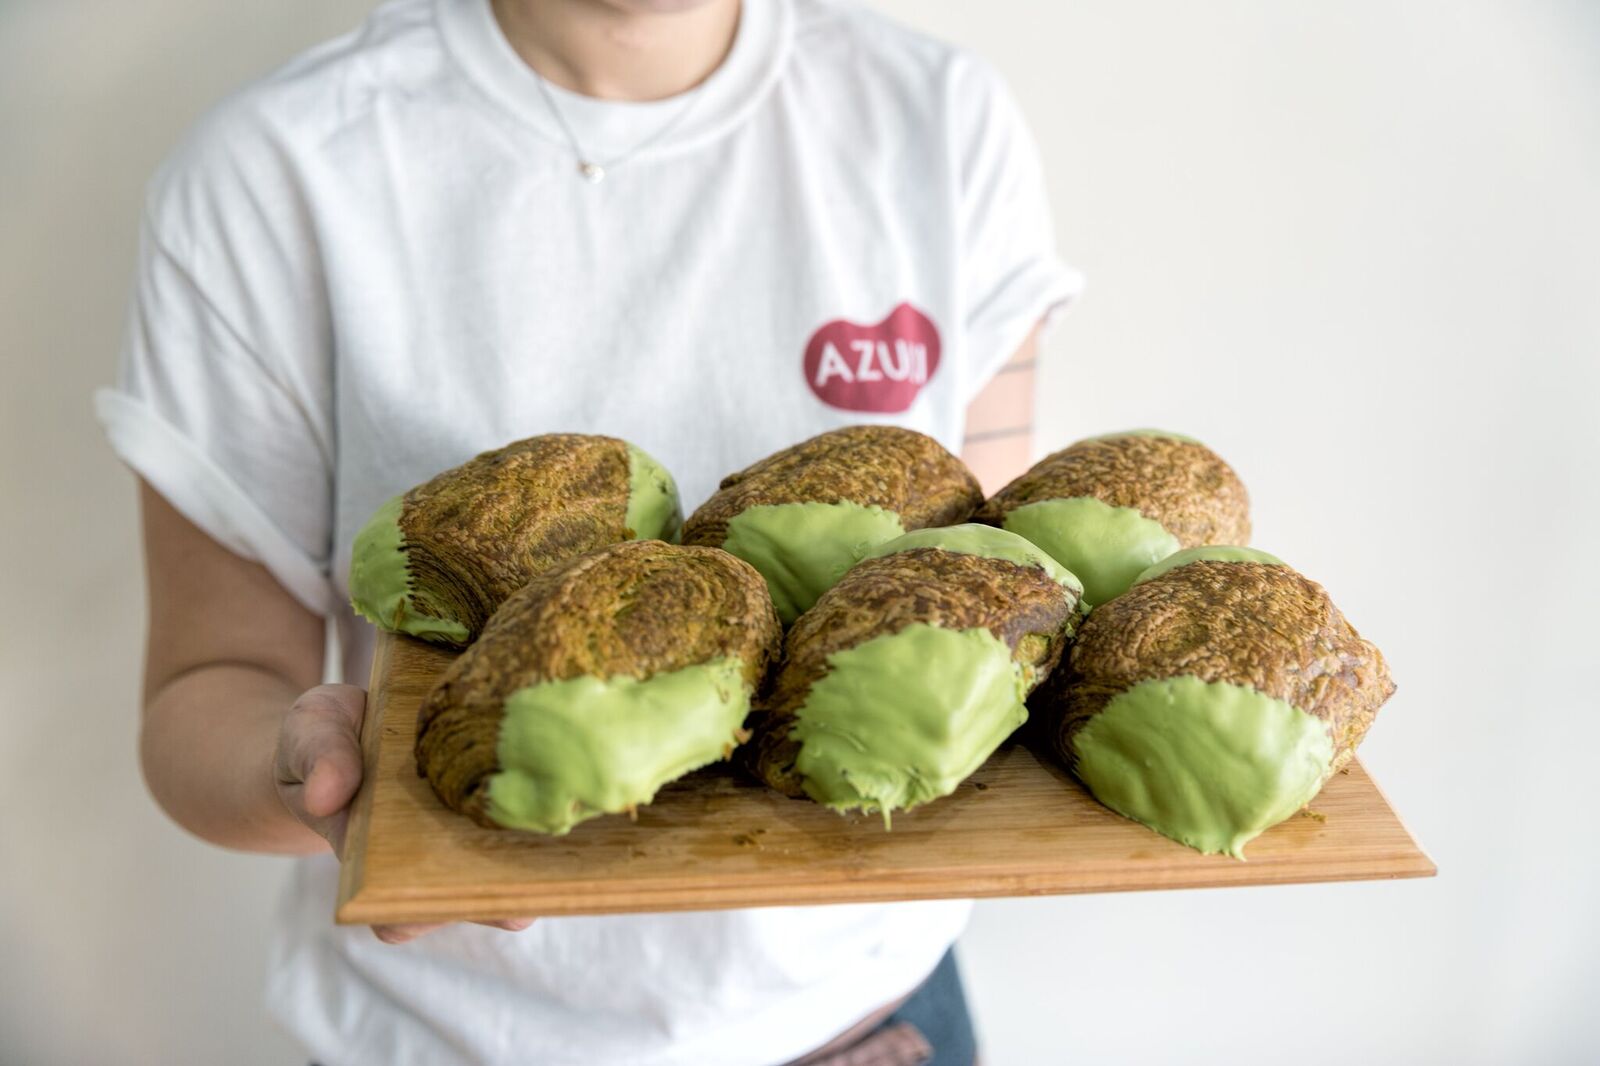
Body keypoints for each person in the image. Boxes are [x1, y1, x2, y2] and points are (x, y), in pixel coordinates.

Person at [96, 0, 1081, 1062]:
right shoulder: (276, 170)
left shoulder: (937, 119)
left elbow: (988, 586)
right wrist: (325, 784)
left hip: (871, 1019)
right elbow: (210, 682)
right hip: (444, 1033)